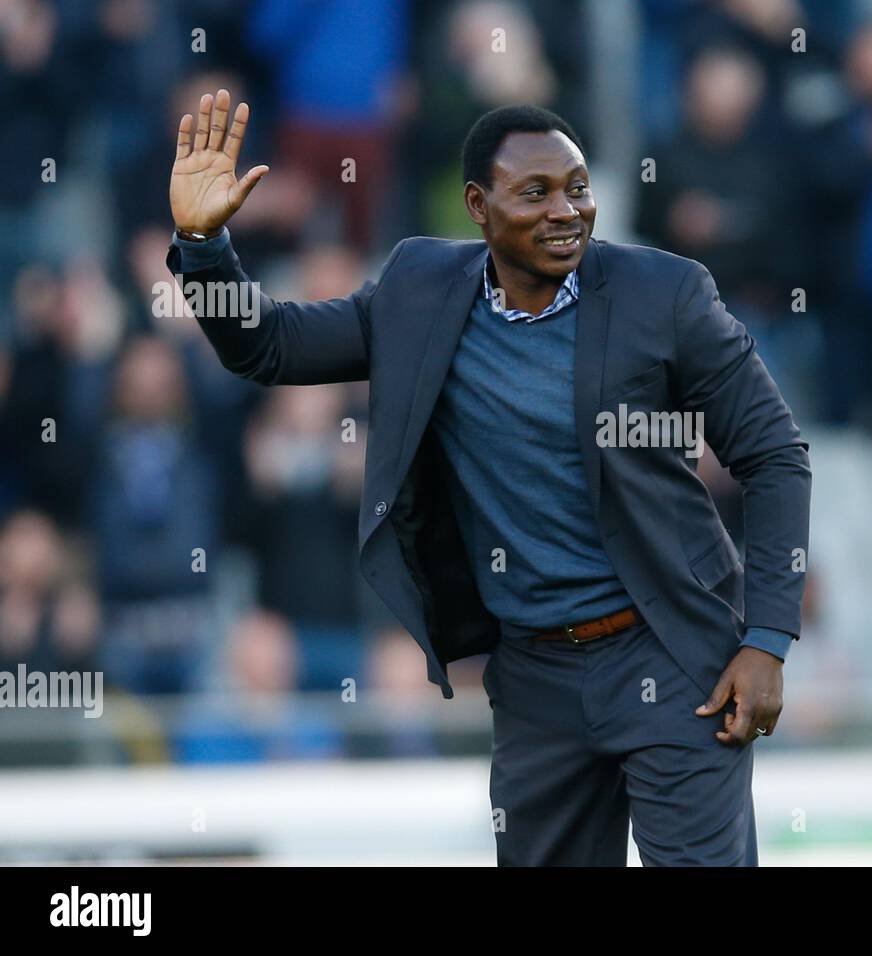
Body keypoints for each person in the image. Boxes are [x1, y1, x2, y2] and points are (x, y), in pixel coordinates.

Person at [164, 90, 810, 865]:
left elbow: (774, 453)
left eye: (577, 188)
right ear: (478, 205)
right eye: (534, 193)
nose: (564, 210)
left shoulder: (665, 294)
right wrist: (204, 249)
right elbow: (267, 347)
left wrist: (766, 639)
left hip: (672, 654)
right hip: (535, 675)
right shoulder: (418, 289)